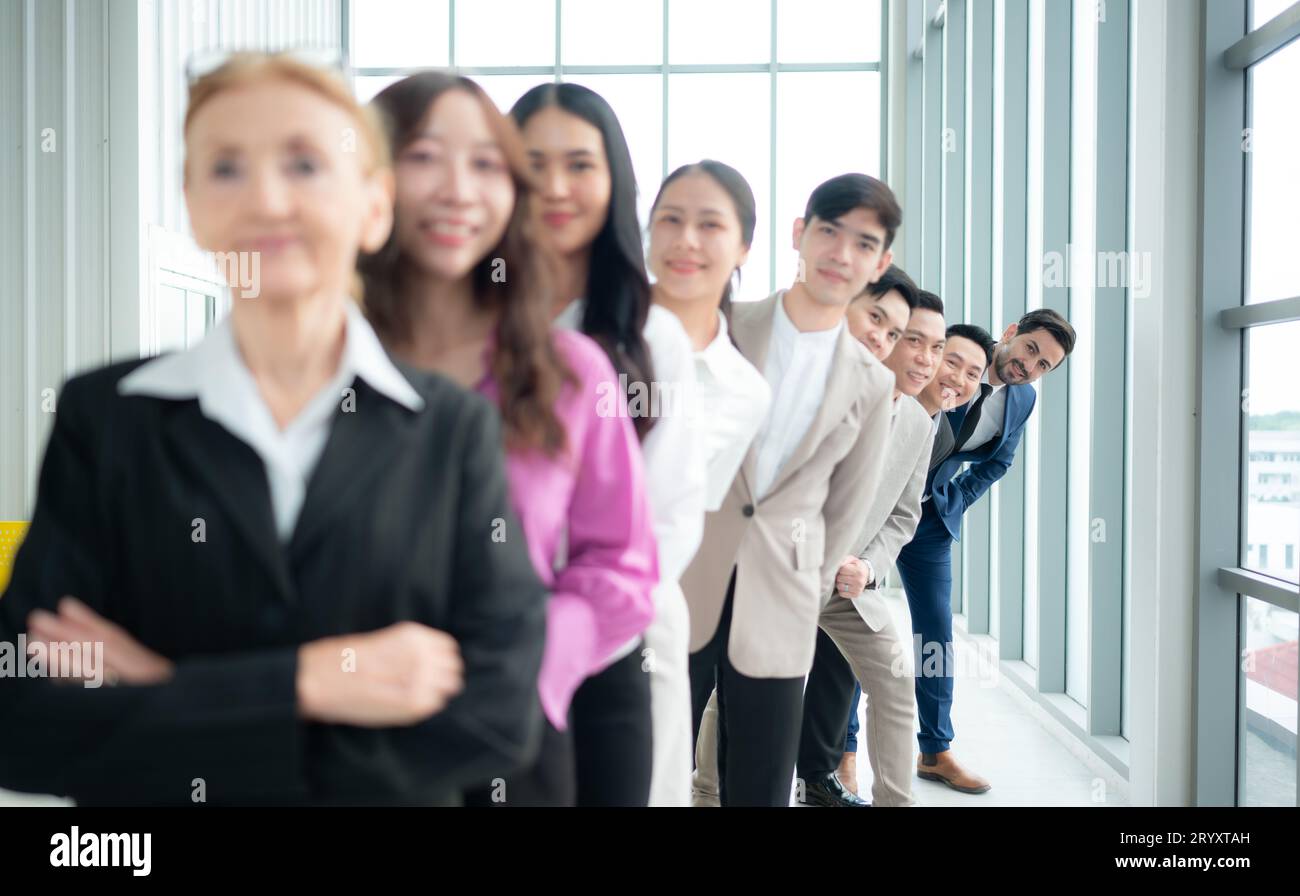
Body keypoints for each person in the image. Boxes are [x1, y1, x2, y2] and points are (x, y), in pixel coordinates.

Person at [0, 53, 547, 806]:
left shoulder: (449, 431)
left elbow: (496, 722)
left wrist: (170, 690)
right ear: (191, 204)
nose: (265, 198)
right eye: (225, 167)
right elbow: (26, 720)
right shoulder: (108, 417)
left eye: (304, 164)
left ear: (374, 207)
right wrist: (308, 682)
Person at [360, 72, 659, 807]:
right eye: (426, 156)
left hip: (507, 738)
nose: (460, 189)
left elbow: (621, 562)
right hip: (341, 724)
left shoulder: (568, 371)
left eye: (487, 164)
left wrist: (538, 663)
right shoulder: (319, 359)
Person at [514, 83, 706, 807]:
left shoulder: (649, 334)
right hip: (487, 640)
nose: (555, 187)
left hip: (616, 642)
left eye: (579, 165)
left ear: (613, 179)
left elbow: (671, 510)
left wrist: (578, 624)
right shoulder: (472, 318)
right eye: (533, 164)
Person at [681, 173, 898, 806]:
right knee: (651, 763)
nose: (842, 253)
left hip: (780, 601)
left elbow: (847, 509)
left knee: (761, 784)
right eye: (830, 232)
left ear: (879, 262)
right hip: (684, 576)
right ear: (800, 235)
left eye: (864, 243)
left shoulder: (871, 384)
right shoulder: (723, 325)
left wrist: (806, 585)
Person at [899, 309, 1076, 794]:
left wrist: (954, 499)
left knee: (935, 633)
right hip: (878, 502)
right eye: (1032, 349)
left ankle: (935, 751)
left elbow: (999, 462)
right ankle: (844, 750)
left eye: (1044, 366)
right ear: (1011, 334)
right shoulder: (950, 362)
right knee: (855, 623)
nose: (1030, 366)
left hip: (929, 519)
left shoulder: (1022, 400)